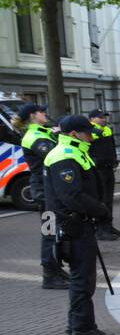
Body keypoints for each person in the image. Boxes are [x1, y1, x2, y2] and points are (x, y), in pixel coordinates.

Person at [43, 115, 114, 335]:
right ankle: (83, 329)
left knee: (81, 278)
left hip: (77, 223)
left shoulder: (73, 151)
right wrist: (100, 210)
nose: (91, 136)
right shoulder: (64, 156)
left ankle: (76, 323)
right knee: (83, 279)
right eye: (87, 132)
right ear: (74, 134)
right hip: (74, 226)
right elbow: (71, 195)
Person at [18, 102, 68, 289]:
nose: (45, 113)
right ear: (32, 116)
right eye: (41, 111)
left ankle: (56, 268)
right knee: (49, 232)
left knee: (55, 230)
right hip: (44, 190)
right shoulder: (34, 136)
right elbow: (52, 155)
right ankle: (49, 274)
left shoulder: (43, 133)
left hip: (48, 187)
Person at [86, 109, 120, 241]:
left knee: (108, 199)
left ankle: (109, 225)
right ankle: (100, 229)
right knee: (101, 200)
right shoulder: (89, 131)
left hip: (108, 168)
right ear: (92, 118)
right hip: (98, 170)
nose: (104, 119)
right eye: (100, 117)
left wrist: (114, 160)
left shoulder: (107, 130)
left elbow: (111, 147)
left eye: (104, 117)